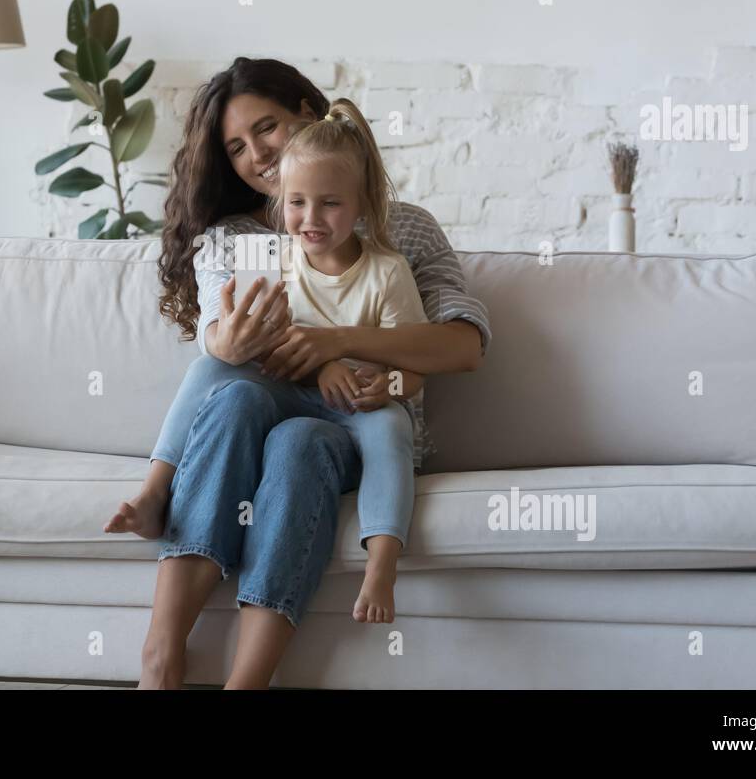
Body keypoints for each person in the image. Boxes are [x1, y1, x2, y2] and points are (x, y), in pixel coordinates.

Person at [103, 58, 492, 688]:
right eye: (236, 146)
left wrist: (333, 343)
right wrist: (228, 338)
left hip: (354, 424)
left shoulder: (402, 232)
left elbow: (463, 345)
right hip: (258, 411)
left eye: (268, 128)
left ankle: (247, 681)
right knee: (232, 400)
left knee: (300, 441)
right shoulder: (235, 240)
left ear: (309, 118)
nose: (256, 154)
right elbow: (217, 345)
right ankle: (161, 655)